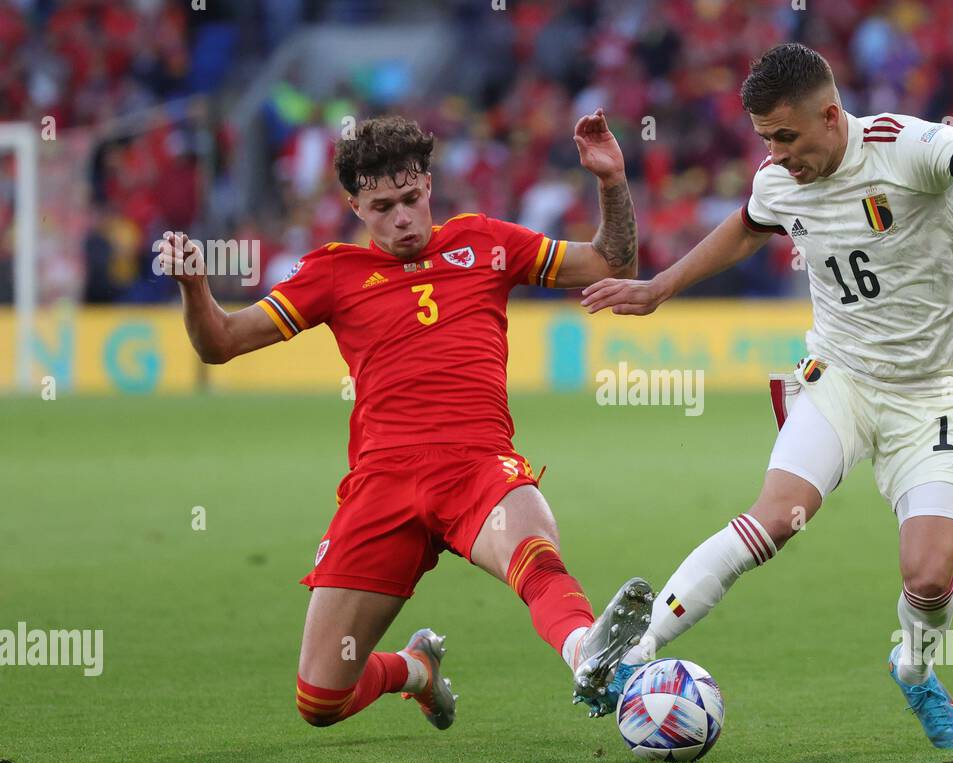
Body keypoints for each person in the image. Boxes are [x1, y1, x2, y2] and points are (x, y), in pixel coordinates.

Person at [581, 44, 953, 748]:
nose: (777, 154)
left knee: (928, 577)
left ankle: (915, 671)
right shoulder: (779, 179)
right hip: (842, 379)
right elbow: (746, 225)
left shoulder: (906, 146)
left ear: (831, 115)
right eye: (765, 139)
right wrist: (658, 288)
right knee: (776, 519)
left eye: (787, 137)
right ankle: (634, 656)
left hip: (939, 394)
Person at [160, 110, 652, 729]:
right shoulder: (332, 274)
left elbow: (612, 262)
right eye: (383, 206)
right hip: (383, 483)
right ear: (354, 206)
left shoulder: (488, 242)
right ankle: (416, 669)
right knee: (319, 702)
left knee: (534, 553)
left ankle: (587, 652)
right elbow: (221, 343)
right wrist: (194, 288)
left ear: (428, 186)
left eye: (412, 199)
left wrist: (610, 180)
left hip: (477, 466)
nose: (400, 218)